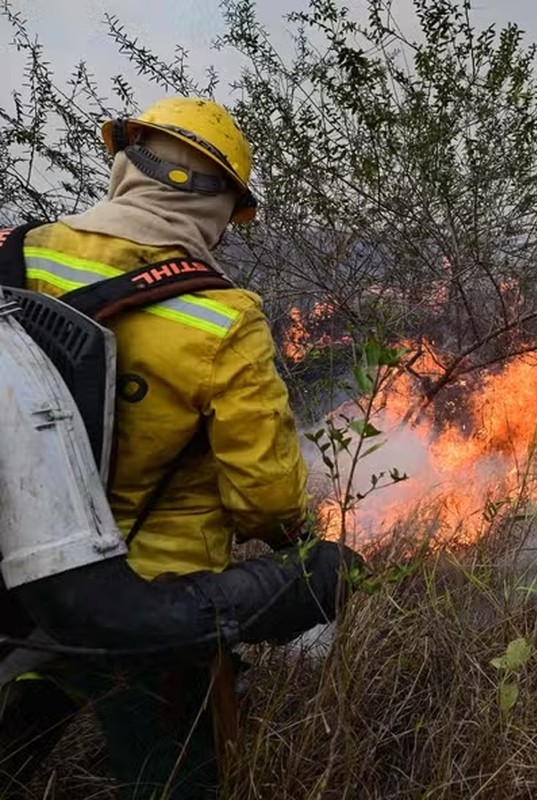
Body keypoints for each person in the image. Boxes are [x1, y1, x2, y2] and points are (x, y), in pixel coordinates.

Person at [0, 97, 354, 798]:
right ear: (220, 208)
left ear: (126, 165)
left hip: (21, 580)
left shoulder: (18, 253)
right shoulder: (223, 317)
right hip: (154, 604)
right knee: (177, 779)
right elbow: (266, 498)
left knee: (23, 734)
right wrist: (298, 545)